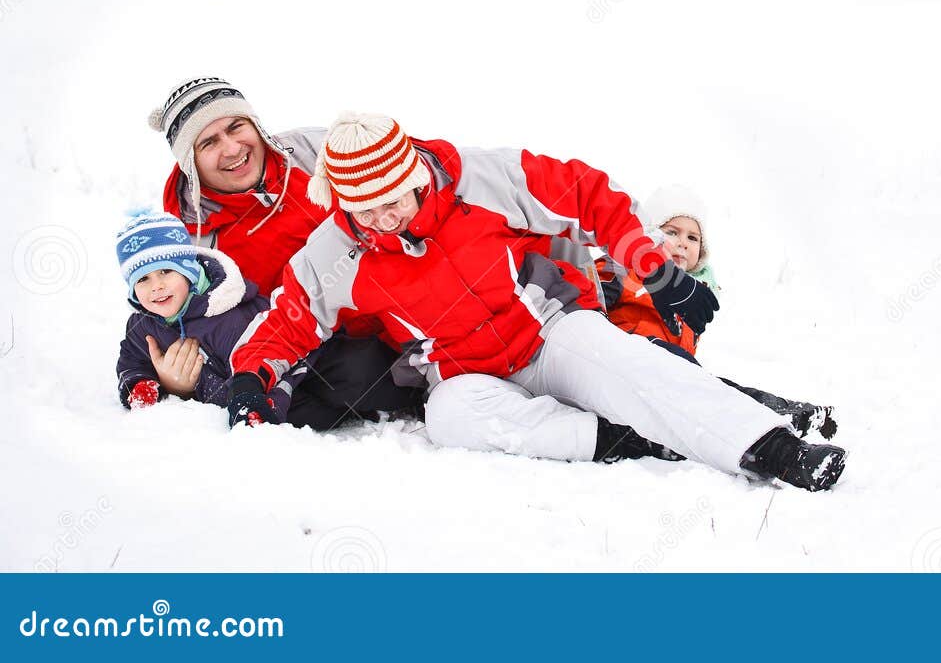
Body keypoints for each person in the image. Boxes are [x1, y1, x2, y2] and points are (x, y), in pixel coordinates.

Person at [227, 113, 847, 490]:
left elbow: (582, 192)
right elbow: (290, 317)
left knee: (626, 361)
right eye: (365, 209)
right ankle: (615, 440)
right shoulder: (338, 248)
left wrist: (652, 268)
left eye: (395, 201)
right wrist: (251, 376)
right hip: (463, 372)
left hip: (546, 335)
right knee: (450, 419)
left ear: (417, 177)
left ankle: (774, 448)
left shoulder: (479, 179)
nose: (384, 220)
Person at [148, 77, 424, 424]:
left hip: (400, 292)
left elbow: (410, 170)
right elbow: (176, 316)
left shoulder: (315, 152)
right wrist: (179, 383)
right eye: (209, 143)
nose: (232, 149)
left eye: (237, 127)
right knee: (355, 375)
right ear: (191, 162)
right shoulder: (191, 238)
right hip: (309, 337)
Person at [113, 212, 408, 428]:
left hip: (299, 366)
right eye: (143, 279)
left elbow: (275, 335)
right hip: (261, 399)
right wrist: (141, 386)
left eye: (166, 272)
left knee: (356, 372)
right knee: (311, 417)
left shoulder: (226, 304)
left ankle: (410, 394)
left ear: (189, 271)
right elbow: (132, 362)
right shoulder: (144, 328)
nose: (156, 287)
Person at [601, 186, 836, 439]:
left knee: (711, 387)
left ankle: (780, 416)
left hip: (670, 379)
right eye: (671, 232)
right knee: (700, 383)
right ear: (649, 236)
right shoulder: (624, 268)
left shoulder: (696, 297)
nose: (683, 242)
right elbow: (590, 306)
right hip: (628, 364)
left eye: (693, 238)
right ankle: (771, 417)